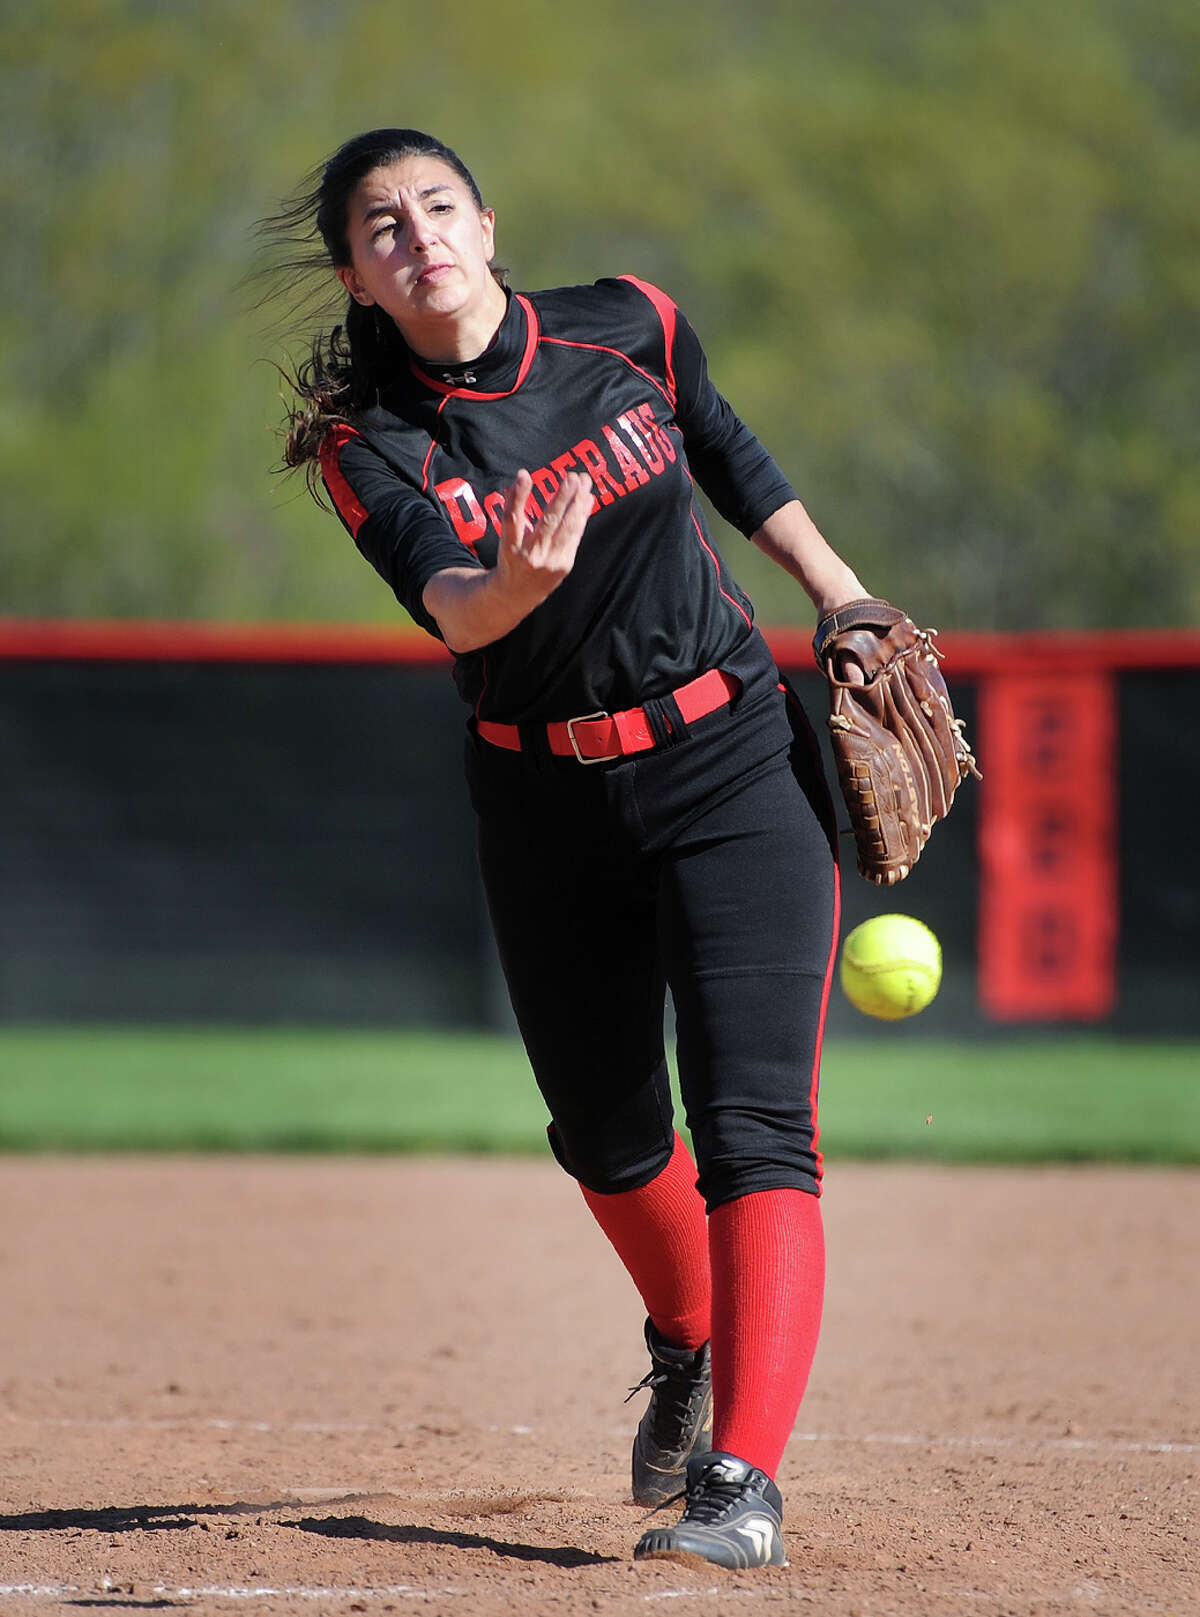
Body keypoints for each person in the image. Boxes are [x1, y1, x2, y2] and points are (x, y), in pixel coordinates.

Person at [268, 127, 871, 1571]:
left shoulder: (628, 323)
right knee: (607, 1137)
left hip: (732, 761)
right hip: (545, 802)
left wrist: (842, 595)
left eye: (437, 205)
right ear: (356, 275)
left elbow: (727, 451)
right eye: (382, 225)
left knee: (755, 1130)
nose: (418, 234)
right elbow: (452, 606)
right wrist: (514, 586)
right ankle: (688, 1336)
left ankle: (741, 1484)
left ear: (487, 224)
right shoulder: (373, 442)